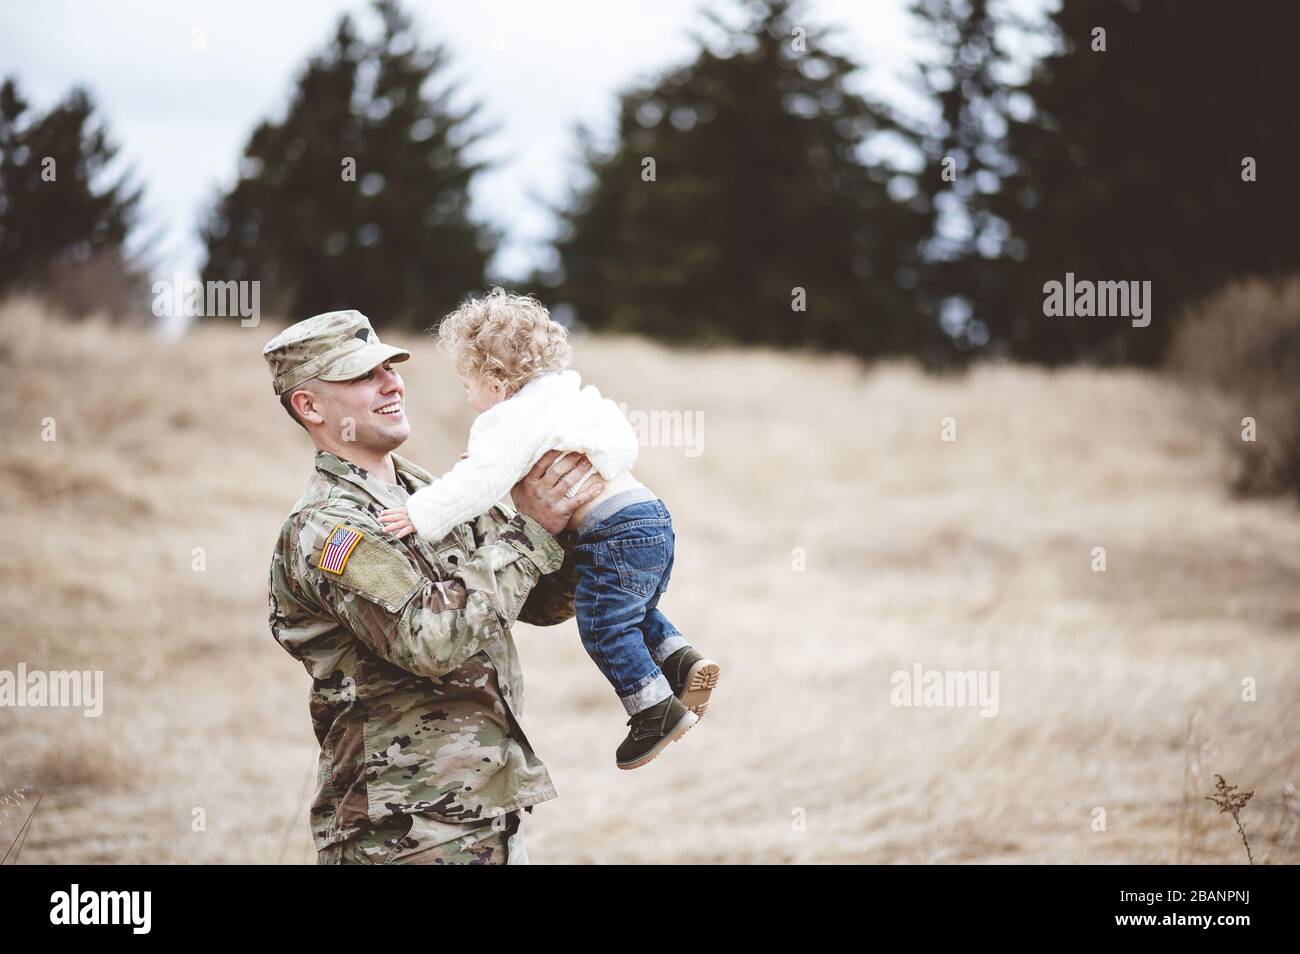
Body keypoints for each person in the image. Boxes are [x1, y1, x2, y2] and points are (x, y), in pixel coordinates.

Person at [263, 309, 602, 864]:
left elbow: (535, 603)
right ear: (310, 405)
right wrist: (531, 532)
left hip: (485, 811)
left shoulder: (428, 493)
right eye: (361, 375)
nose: (392, 383)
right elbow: (432, 639)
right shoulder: (328, 529)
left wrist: (573, 521)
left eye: (389, 368)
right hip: (402, 832)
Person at [377, 288, 721, 770]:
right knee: (632, 610)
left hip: (612, 531)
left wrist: (420, 514)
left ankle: (654, 709)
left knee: (602, 625)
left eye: (466, 382)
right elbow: (612, 447)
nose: (467, 394)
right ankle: (681, 660)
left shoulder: (506, 419)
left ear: (495, 381)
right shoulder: (569, 396)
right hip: (649, 515)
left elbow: (475, 484)